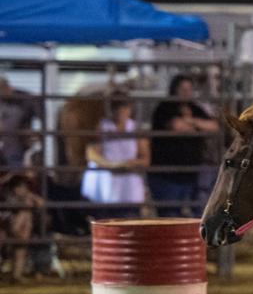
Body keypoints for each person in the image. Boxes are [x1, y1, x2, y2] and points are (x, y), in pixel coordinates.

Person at [149, 74, 219, 217]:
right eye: (183, 89)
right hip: (167, 176)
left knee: (194, 216)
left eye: (189, 89)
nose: (187, 92)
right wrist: (197, 126)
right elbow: (177, 126)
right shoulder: (164, 108)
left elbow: (214, 126)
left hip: (190, 175)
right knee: (170, 216)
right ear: (174, 90)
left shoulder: (195, 108)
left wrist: (190, 121)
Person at [81, 92, 149, 219]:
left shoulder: (135, 129)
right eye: (116, 107)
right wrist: (112, 165)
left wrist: (131, 163)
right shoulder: (103, 127)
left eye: (124, 107)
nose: (120, 111)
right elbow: (92, 154)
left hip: (130, 190)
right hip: (107, 190)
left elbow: (145, 158)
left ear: (130, 109)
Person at [0, 174, 43, 283]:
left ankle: (16, 275)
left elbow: (41, 203)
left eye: (24, 187)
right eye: (21, 187)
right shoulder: (5, 196)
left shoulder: (26, 197)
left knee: (26, 212)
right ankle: (16, 275)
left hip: (16, 229)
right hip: (4, 226)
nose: (23, 190)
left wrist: (30, 196)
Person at [0, 75, 40, 169]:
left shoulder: (26, 98)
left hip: (19, 146)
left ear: (8, 87)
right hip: (5, 146)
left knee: (17, 169)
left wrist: (37, 134)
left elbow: (45, 118)